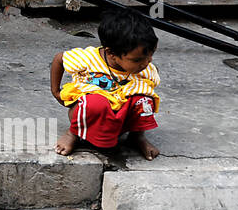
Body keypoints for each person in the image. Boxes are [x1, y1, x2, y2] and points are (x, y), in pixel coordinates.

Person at [50, 8, 160, 160]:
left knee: (145, 100)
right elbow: (59, 59)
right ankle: (73, 133)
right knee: (96, 102)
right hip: (90, 113)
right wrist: (56, 91)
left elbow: (152, 83)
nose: (147, 62)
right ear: (111, 54)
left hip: (119, 118)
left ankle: (137, 136)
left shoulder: (144, 68)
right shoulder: (88, 58)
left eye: (150, 55)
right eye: (137, 60)